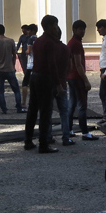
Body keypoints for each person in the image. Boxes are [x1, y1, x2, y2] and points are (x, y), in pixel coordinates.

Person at [25, 15, 64, 153]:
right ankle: (43, 144)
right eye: (55, 25)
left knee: (32, 110)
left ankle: (28, 140)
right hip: (45, 78)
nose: (56, 28)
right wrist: (58, 84)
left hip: (35, 76)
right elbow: (52, 64)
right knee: (46, 112)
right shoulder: (50, 42)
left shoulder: (38, 41)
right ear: (48, 27)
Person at [67, 20, 98, 141]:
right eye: (80, 29)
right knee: (82, 106)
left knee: (72, 104)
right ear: (74, 30)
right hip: (77, 77)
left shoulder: (72, 42)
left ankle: (69, 129)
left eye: (84, 29)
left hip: (71, 77)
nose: (83, 31)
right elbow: (78, 64)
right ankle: (85, 132)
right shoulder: (76, 44)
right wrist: (86, 80)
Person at [0, 24, 25, 114]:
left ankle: (4, 109)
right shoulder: (10, 41)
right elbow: (14, 55)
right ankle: (18, 107)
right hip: (9, 69)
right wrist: (13, 65)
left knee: (0, 91)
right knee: (16, 90)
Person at [21, 24, 38, 107]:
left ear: (32, 31)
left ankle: (24, 102)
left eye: (29, 30)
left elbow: (29, 51)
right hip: (37, 64)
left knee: (25, 84)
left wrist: (26, 52)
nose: (27, 32)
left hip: (30, 64)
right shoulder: (38, 39)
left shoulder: (30, 39)